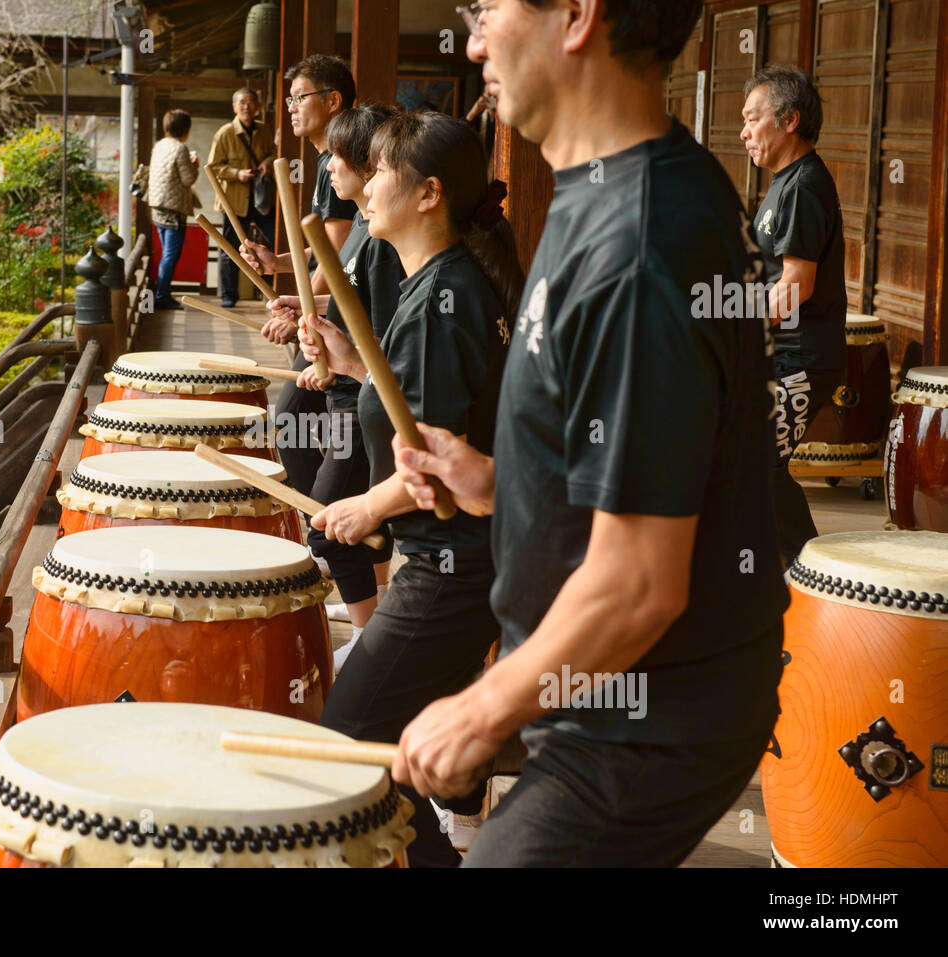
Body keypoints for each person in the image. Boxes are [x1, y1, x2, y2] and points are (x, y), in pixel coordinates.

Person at [390, 0, 788, 866]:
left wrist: (482, 705)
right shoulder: (604, 187)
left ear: (576, 15)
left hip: (645, 714)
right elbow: (650, 456)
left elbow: (641, 582)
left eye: (487, 9)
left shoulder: (640, 243)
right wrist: (499, 481)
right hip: (605, 690)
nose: (474, 41)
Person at [300, 109, 519, 867]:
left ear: (428, 194)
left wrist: (368, 505)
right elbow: (421, 412)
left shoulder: (442, 298)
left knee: (347, 746)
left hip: (447, 568)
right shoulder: (444, 285)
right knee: (398, 751)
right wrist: (353, 365)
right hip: (456, 560)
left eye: (382, 172)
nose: (365, 187)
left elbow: (437, 458)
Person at [278, 104, 403, 672]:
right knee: (335, 514)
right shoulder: (359, 225)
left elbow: (384, 326)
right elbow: (355, 307)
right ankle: (370, 625)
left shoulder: (379, 239)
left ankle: (372, 638)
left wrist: (343, 355)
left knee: (330, 519)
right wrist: (316, 317)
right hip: (349, 391)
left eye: (336, 156)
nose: (326, 165)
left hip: (365, 398)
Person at [241, 55, 358, 507]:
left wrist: (309, 314)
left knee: (294, 420)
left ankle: (327, 526)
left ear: (333, 101)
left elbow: (342, 253)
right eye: (288, 99)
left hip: (346, 320)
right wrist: (278, 263)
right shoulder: (329, 161)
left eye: (299, 97)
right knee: (308, 424)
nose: (290, 107)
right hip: (334, 313)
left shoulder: (340, 161)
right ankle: (333, 530)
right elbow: (327, 246)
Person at [741, 64, 847, 565]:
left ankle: (808, 574)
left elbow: (795, 287)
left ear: (789, 120)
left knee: (753, 459)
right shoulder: (785, 183)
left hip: (800, 359)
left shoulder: (804, 184)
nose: (744, 132)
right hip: (781, 354)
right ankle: (799, 574)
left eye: (752, 118)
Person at [206, 88, 276, 308]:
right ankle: (229, 295)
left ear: (257, 106)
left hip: (260, 199)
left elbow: (274, 153)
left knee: (276, 240)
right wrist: (238, 174)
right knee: (230, 248)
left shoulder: (264, 130)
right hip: (234, 201)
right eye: (242, 103)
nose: (246, 106)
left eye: (250, 102)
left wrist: (267, 163)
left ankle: (274, 292)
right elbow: (213, 167)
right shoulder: (225, 133)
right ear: (235, 107)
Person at [147, 109, 199, 311]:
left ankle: (162, 293)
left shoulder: (159, 145)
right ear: (185, 130)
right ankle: (161, 296)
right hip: (174, 208)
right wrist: (194, 166)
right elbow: (188, 179)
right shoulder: (180, 149)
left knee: (165, 254)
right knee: (171, 255)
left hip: (158, 207)